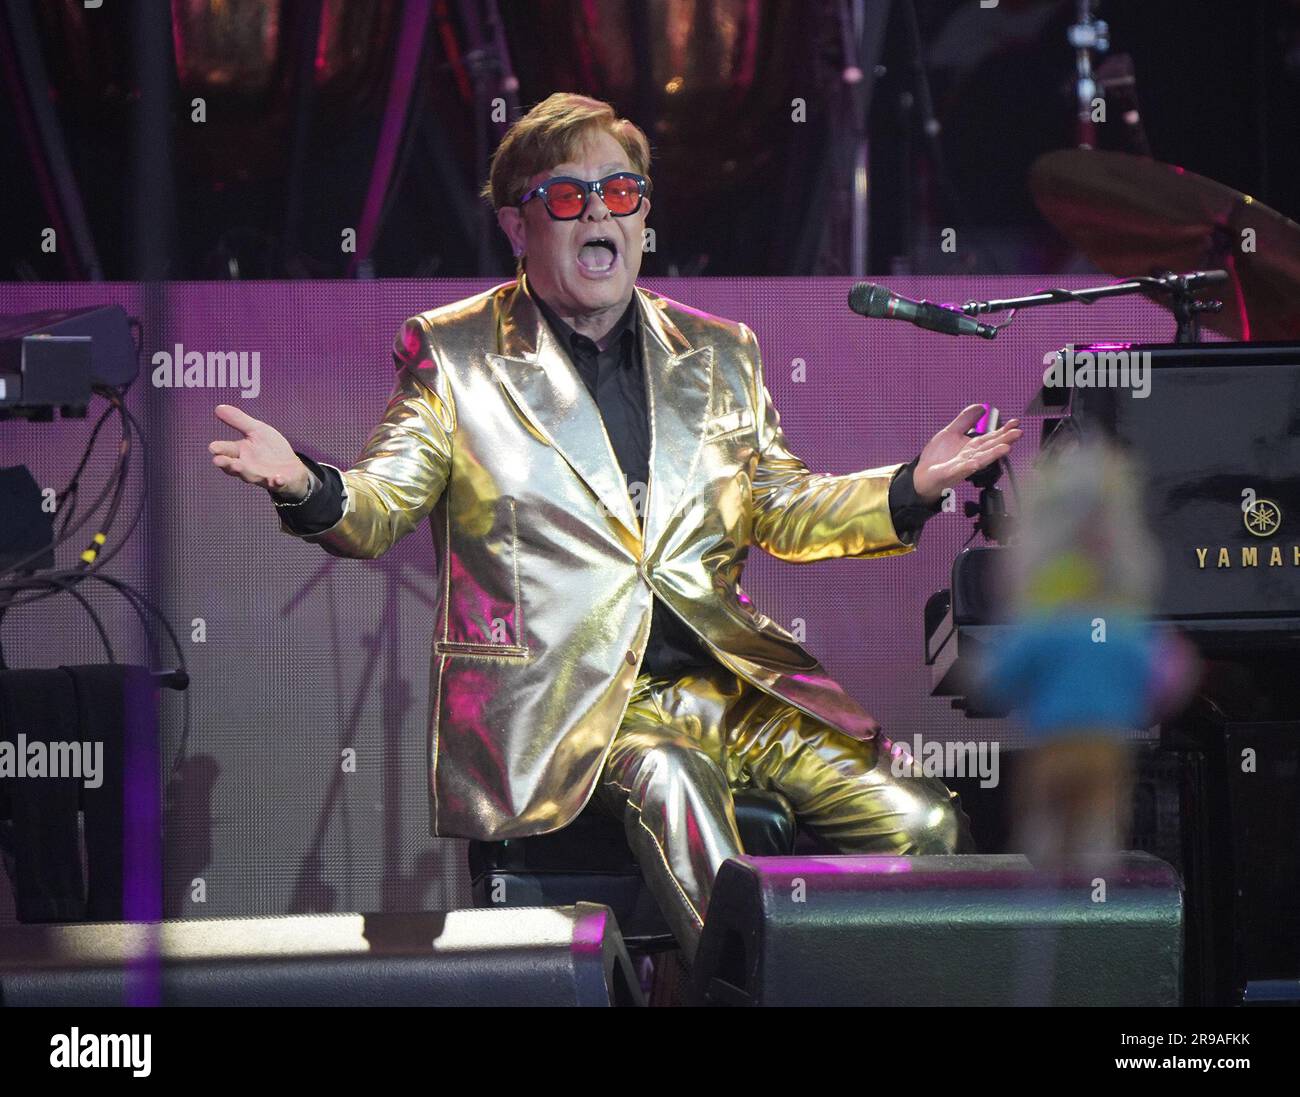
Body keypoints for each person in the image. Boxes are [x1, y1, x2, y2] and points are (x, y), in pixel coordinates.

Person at [209, 92, 1023, 962]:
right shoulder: (454, 356)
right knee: (674, 785)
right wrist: (306, 486)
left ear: (644, 215)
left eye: (621, 192)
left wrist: (909, 486)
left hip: (728, 689)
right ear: (517, 227)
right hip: (575, 706)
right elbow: (378, 508)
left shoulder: (720, 353)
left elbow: (781, 507)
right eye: (567, 196)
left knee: (926, 823)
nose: (599, 211)